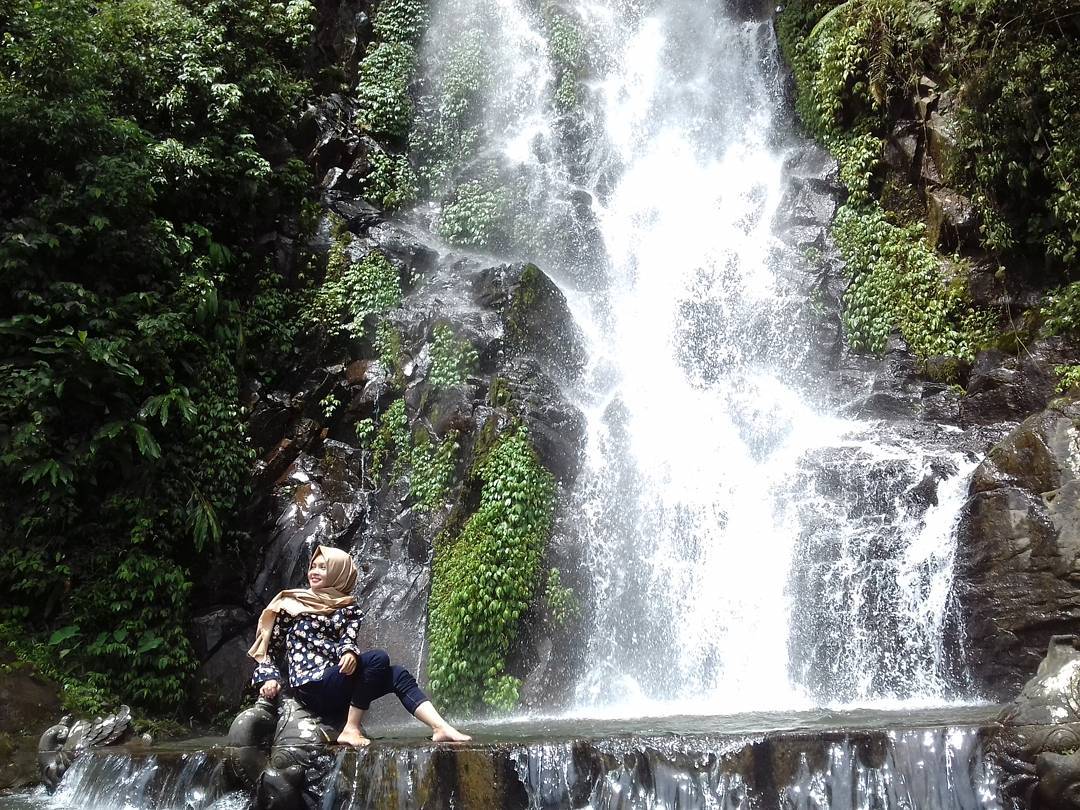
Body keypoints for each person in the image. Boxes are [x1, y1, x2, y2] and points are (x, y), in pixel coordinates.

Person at [248, 544, 470, 746]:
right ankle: (351, 728)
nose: (314, 571)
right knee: (378, 658)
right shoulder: (291, 605)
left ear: (338, 573)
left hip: (337, 680)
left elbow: (348, 639)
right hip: (310, 685)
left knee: (398, 674)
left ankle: (440, 727)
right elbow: (269, 649)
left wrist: (349, 653)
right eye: (313, 566)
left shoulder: (348, 609)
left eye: (323, 567)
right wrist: (269, 677)